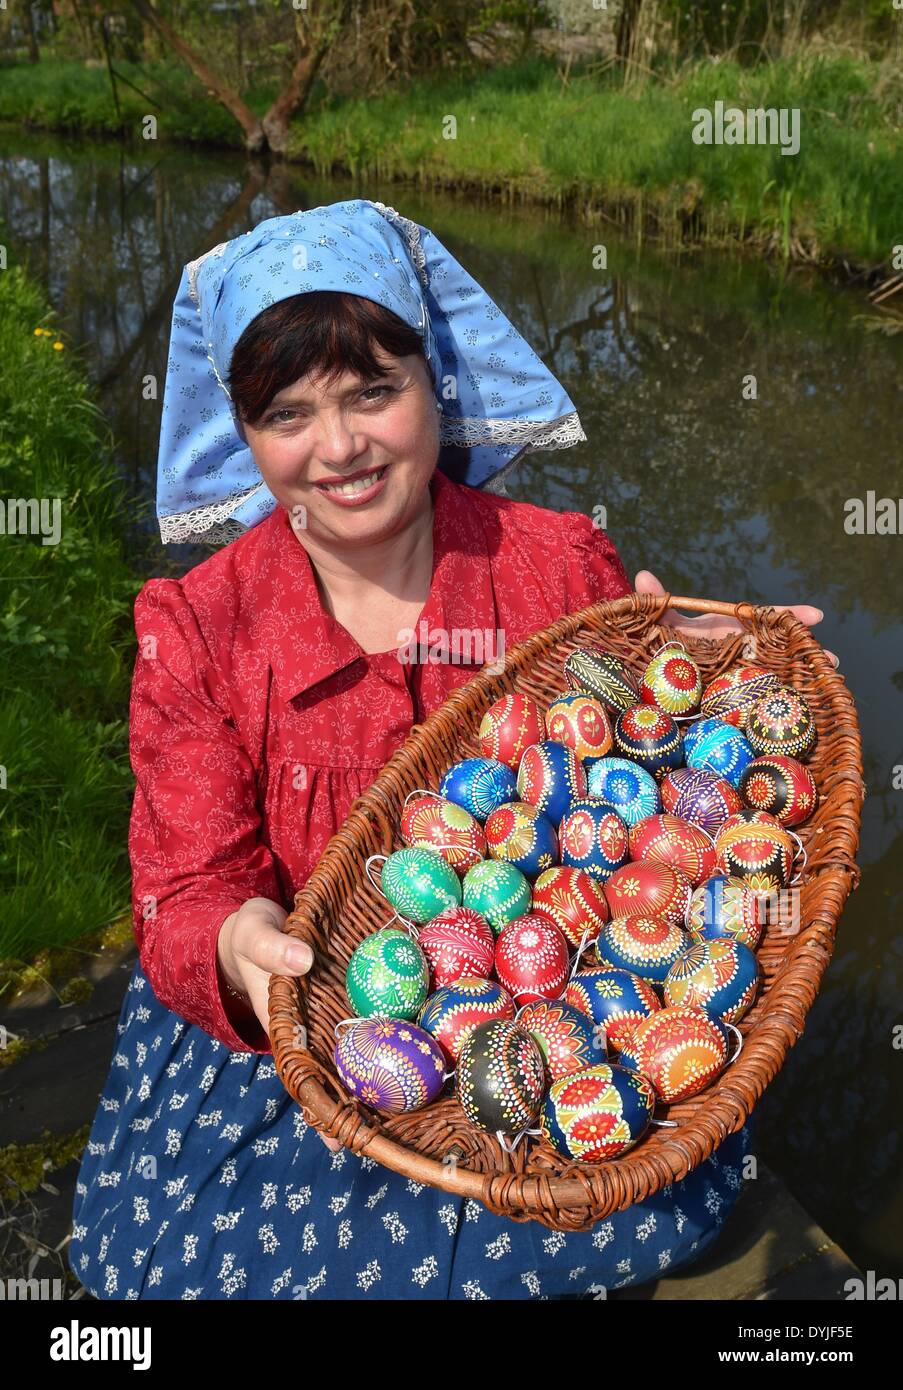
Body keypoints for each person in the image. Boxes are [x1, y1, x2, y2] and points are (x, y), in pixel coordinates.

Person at [69, 199, 824, 1301]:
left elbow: (634, 796)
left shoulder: (558, 566)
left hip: (544, 1008)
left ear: (437, 386)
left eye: (375, 390)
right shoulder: (196, 627)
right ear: (243, 435)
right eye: (288, 414)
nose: (339, 448)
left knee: (620, 1192)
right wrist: (234, 941)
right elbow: (183, 887)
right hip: (299, 1041)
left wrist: (704, 695)